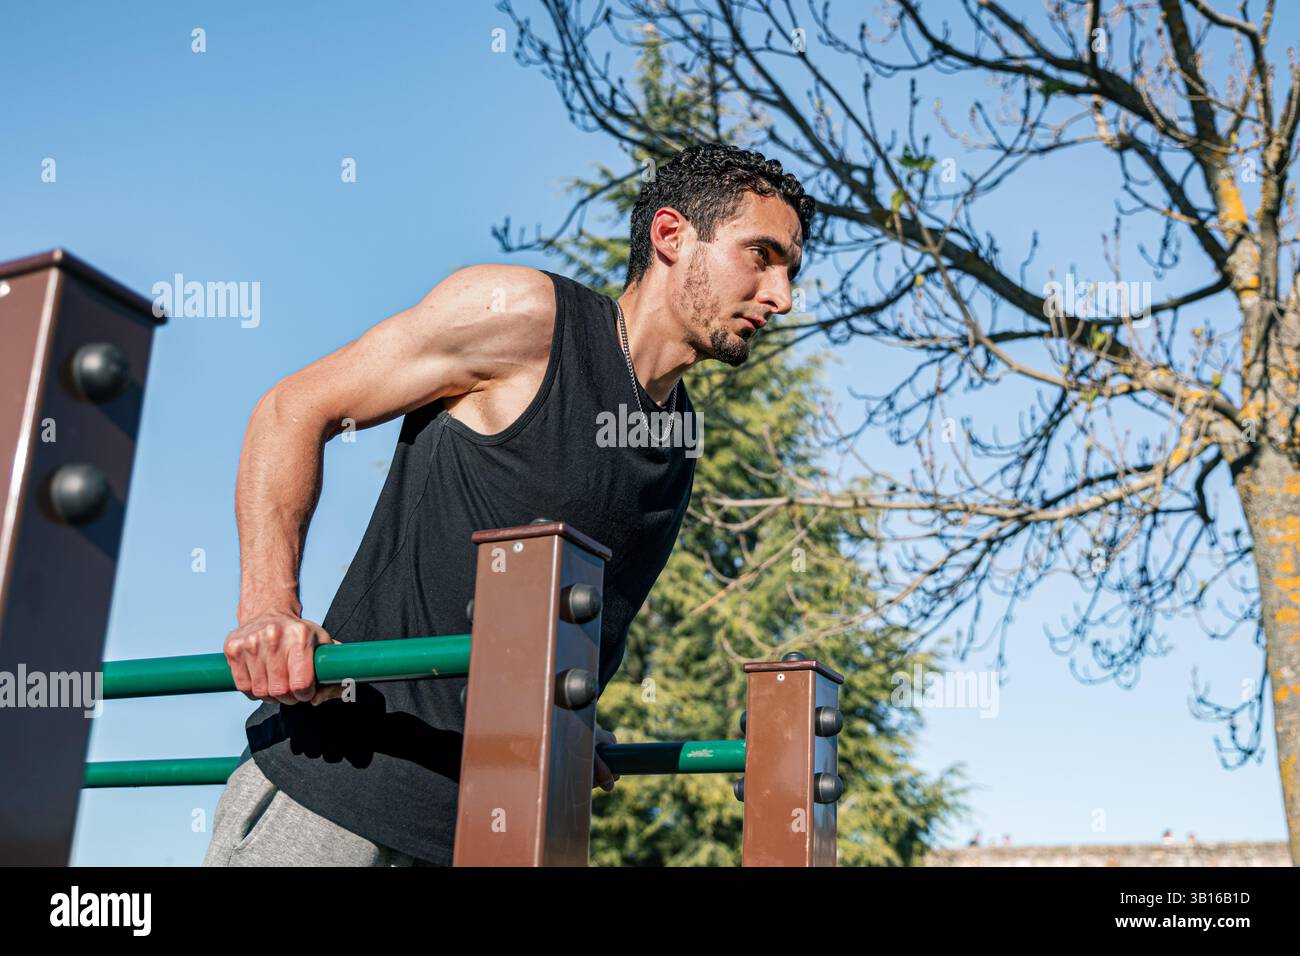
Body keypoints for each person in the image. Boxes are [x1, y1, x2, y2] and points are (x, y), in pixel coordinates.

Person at [202, 143, 814, 866]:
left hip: (492, 837)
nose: (782, 296)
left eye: (791, 272)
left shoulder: (675, 443)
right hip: (337, 789)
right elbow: (293, 409)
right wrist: (269, 609)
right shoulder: (525, 319)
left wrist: (569, 720)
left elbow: (564, 627)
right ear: (672, 236)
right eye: (761, 256)